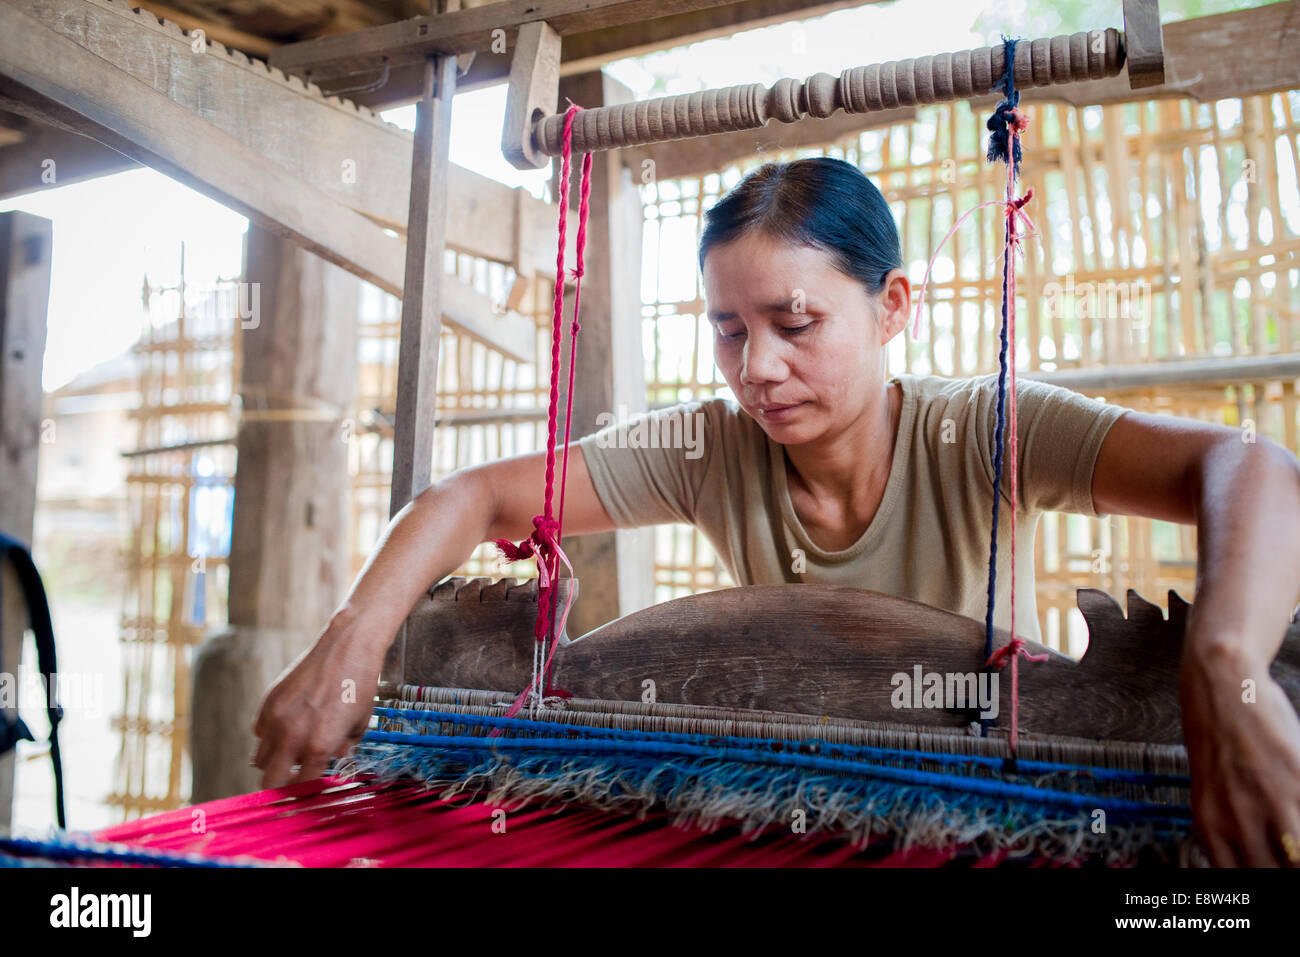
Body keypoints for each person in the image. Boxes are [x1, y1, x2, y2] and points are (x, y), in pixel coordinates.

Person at [253, 157, 1300, 867]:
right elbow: (470, 496)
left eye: (795, 323)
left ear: (893, 306)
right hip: (779, 819)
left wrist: (1224, 664)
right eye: (728, 331)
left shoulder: (982, 430)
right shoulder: (709, 447)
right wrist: (354, 640)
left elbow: (1251, 464)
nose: (758, 369)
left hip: (982, 819)